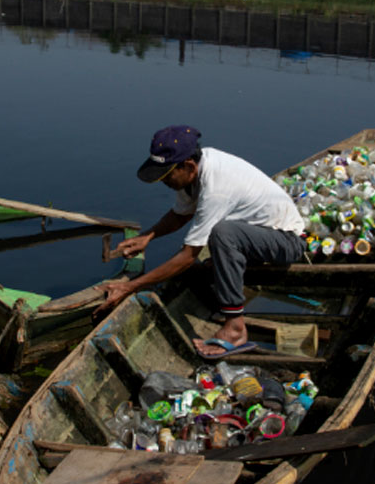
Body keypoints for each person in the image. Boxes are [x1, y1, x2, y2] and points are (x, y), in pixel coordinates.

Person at [99, 125, 305, 359]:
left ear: (188, 166)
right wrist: (147, 237)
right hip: (256, 236)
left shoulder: (216, 185)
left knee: (222, 234)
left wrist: (130, 286)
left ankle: (236, 328)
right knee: (215, 242)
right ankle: (227, 267)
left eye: (167, 175)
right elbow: (181, 213)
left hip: (286, 242)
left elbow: (188, 256)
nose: (163, 182)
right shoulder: (194, 169)